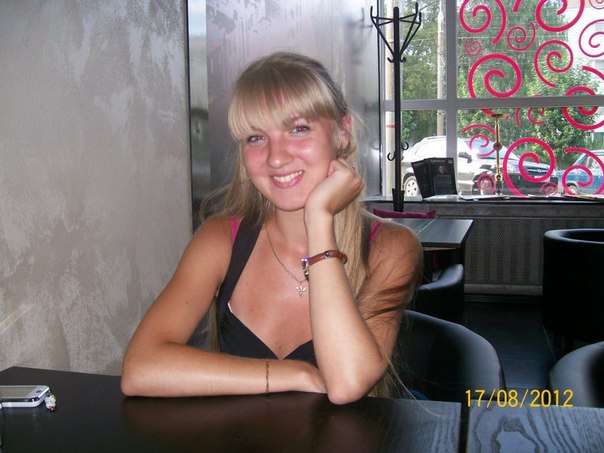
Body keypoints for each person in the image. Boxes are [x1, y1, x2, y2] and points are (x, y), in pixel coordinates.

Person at [121, 52, 422, 404]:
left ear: (342, 132)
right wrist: (296, 374)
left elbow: (346, 384)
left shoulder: (391, 248)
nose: (276, 157)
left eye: (298, 128)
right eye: (255, 137)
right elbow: (140, 369)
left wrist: (319, 219)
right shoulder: (221, 240)